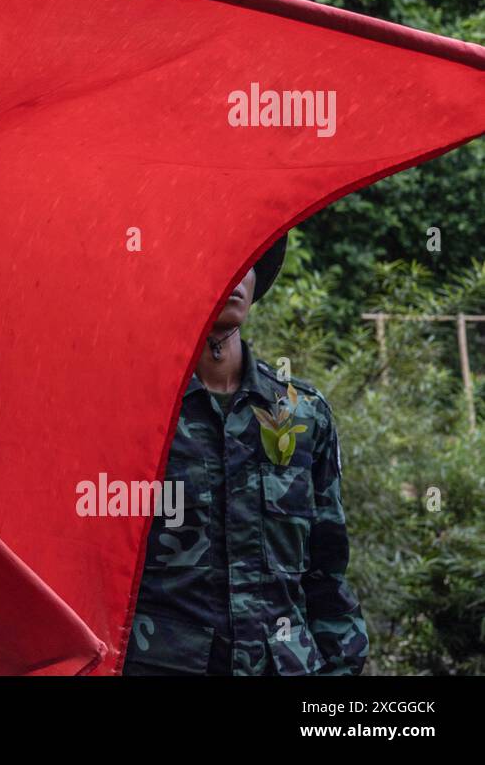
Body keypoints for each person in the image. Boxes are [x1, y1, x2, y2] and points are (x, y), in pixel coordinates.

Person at [123, 236, 368, 675]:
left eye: (247, 262)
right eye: (217, 258)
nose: (236, 274)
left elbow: (327, 568)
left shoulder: (302, 413)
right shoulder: (134, 413)